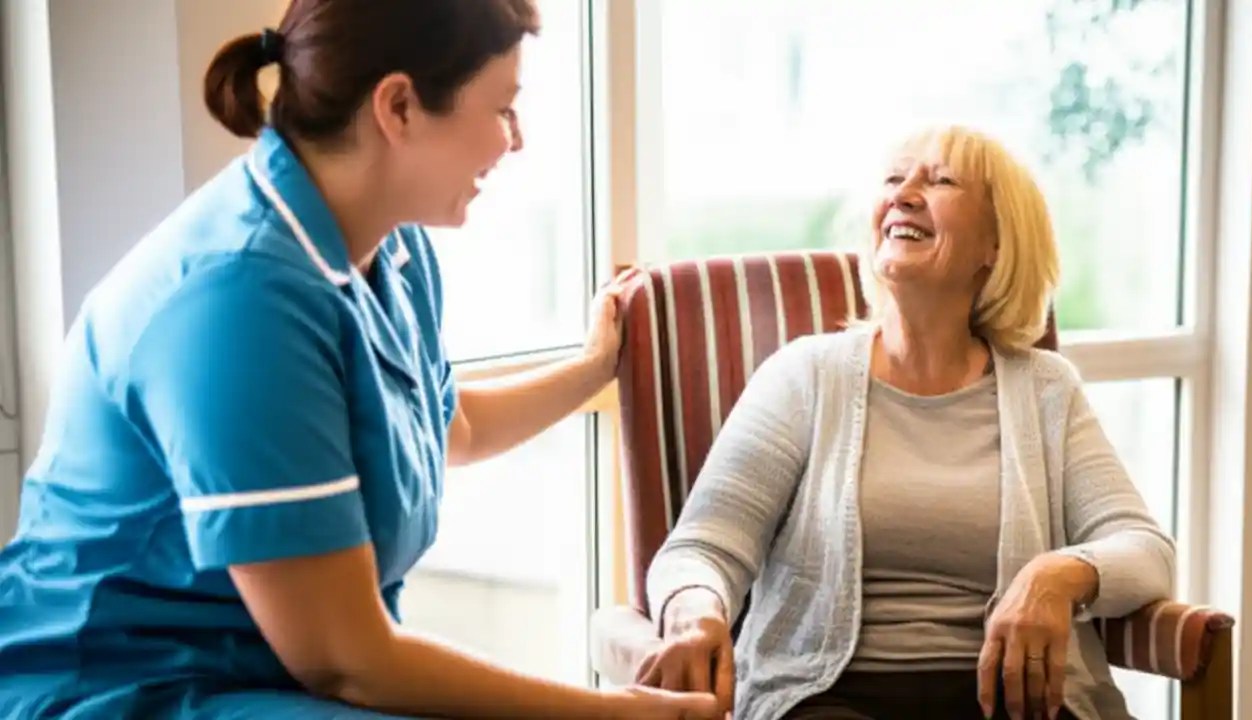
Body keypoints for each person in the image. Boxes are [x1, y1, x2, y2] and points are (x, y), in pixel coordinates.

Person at [0, 1, 720, 718]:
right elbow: (347, 662)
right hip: (122, 691)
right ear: (399, 105)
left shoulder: (393, 252)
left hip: (265, 681)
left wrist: (597, 364)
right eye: (503, 108)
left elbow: (450, 426)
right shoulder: (239, 299)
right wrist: (626, 713)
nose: (517, 139)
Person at [636, 126, 1175, 720]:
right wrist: (693, 610)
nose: (905, 193)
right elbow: (702, 547)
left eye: (940, 180)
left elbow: (1147, 552)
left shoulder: (1046, 388)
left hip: (1013, 700)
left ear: (995, 243)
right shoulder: (805, 375)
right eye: (894, 179)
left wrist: (1055, 575)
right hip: (827, 698)